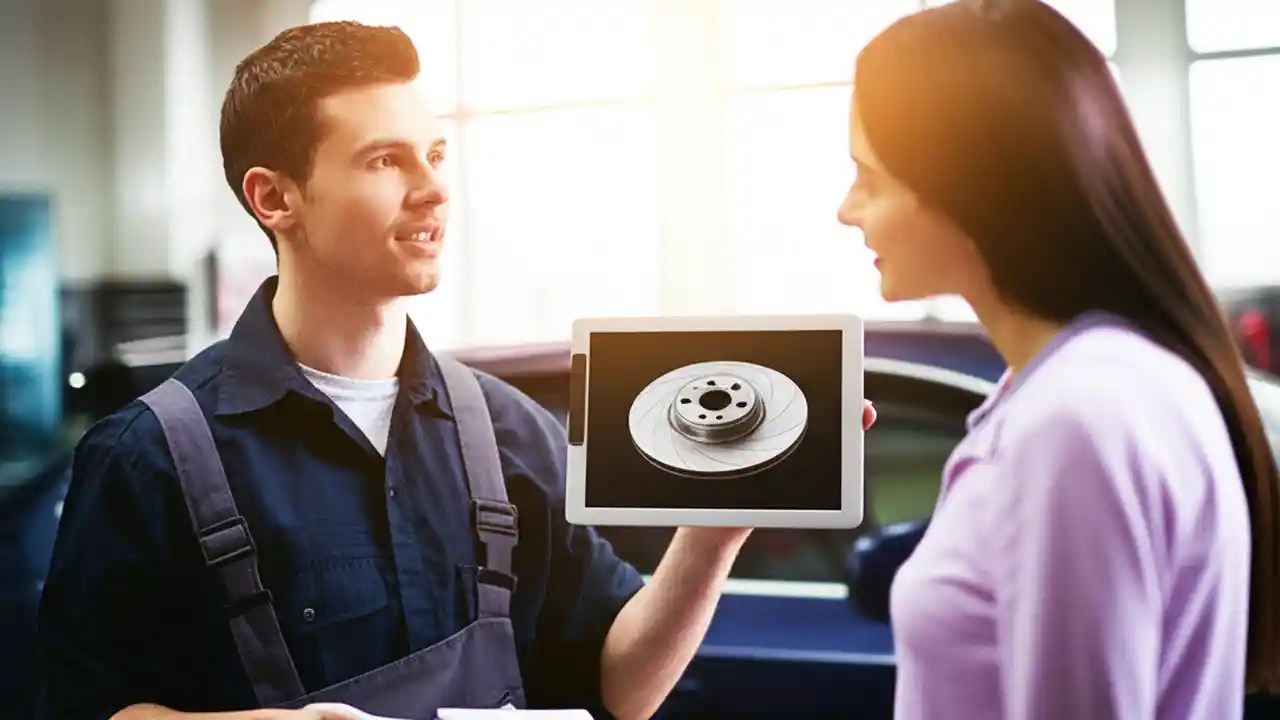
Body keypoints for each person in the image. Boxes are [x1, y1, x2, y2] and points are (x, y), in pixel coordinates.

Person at [35, 21, 875, 720]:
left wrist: (716, 528)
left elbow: (623, 685)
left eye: (436, 153)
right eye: (384, 160)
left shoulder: (507, 434)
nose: (433, 188)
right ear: (274, 198)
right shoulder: (148, 457)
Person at [835, 1, 1280, 718]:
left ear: (964, 184)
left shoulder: (1073, 419)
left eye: (870, 178)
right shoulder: (1115, 381)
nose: (847, 210)